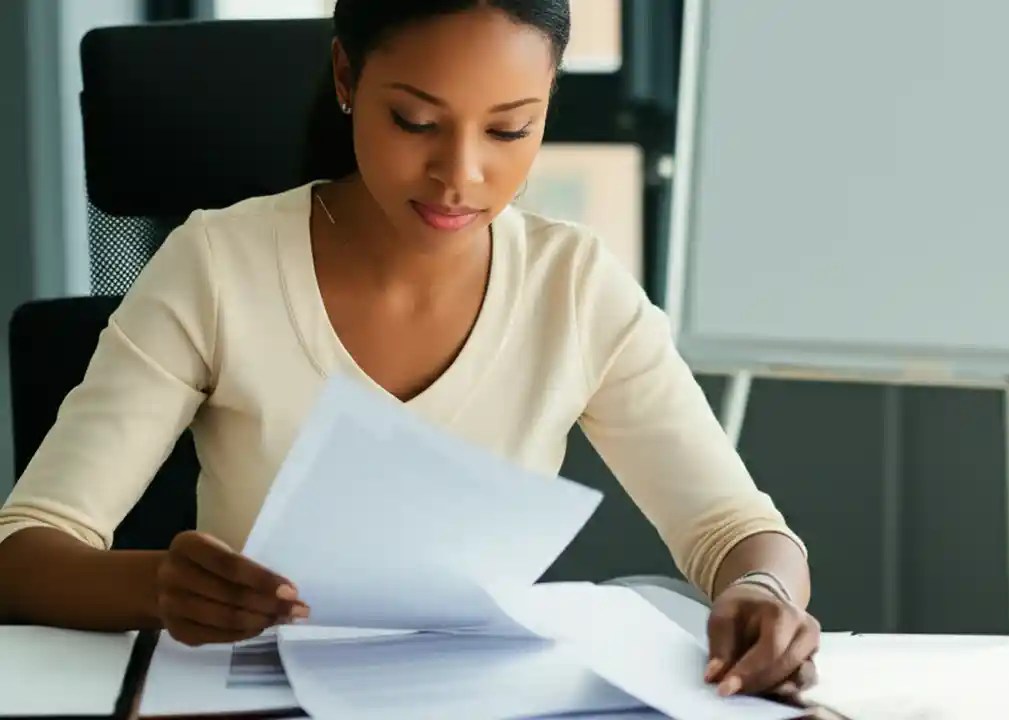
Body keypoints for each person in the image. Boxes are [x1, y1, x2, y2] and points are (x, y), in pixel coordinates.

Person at [0, 0, 818, 699]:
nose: (461, 174)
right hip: (250, 696)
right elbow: (24, 551)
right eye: (417, 122)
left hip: (475, 699)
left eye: (510, 129)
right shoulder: (218, 266)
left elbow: (735, 528)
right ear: (347, 80)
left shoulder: (574, 286)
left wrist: (762, 589)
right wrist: (158, 587)